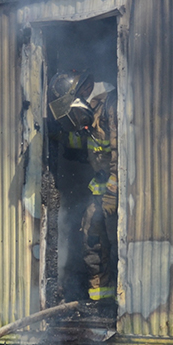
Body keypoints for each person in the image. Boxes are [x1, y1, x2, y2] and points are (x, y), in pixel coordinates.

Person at [48, 70, 118, 304]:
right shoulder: (92, 112)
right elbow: (86, 143)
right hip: (101, 189)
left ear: (85, 89)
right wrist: (55, 136)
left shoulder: (111, 106)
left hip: (118, 191)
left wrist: (113, 194)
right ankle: (101, 300)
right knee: (92, 240)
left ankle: (122, 303)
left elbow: (120, 154)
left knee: (117, 242)